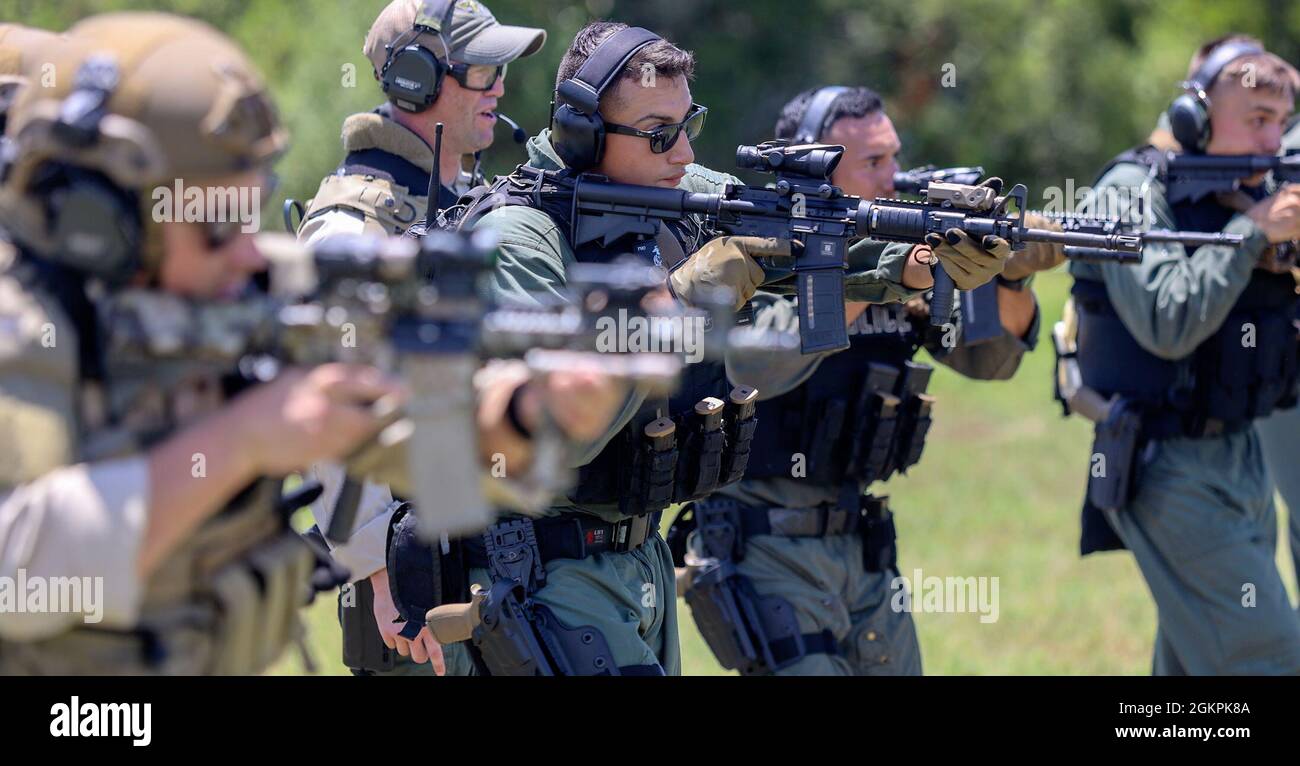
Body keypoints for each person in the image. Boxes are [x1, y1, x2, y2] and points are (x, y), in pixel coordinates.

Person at [424, 22, 1007, 675]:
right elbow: (556, 436)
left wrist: (918, 263)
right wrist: (692, 293)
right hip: (541, 562)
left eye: (687, 123)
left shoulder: (677, 191)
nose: (681, 152)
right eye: (658, 133)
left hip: (637, 552)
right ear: (582, 134)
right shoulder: (522, 235)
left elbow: (800, 247)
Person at [0, 11, 403, 673]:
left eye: (254, 207)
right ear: (101, 225)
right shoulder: (22, 323)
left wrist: (517, 415)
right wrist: (241, 439)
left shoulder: (199, 293)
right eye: (217, 224)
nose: (247, 251)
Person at [673, 84, 1055, 675]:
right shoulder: (762, 243)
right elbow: (757, 363)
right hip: (762, 541)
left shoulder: (907, 254)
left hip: (862, 541)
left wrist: (1011, 277)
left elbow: (989, 362)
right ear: (815, 167)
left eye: (894, 157)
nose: (891, 177)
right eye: (872, 162)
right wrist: (875, 275)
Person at [1069, 35, 1300, 674]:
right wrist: (1255, 231)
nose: (1272, 142)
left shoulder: (1245, 192)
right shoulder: (1131, 191)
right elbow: (1167, 320)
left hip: (1240, 456)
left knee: (1192, 668)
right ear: (1193, 118)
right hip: (1165, 462)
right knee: (1271, 656)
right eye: (1257, 120)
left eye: (1280, 124)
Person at [295, 0, 545, 244]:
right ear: (416, 78)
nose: (498, 89)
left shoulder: (469, 188)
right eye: (483, 73)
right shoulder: (349, 231)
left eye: (499, 69)